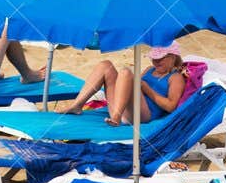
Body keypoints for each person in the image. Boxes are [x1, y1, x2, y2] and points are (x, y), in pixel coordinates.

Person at [59, 43, 190, 126]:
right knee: (106, 65)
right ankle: (77, 105)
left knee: (126, 72)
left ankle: (116, 116)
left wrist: (146, 88)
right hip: (127, 110)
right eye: (154, 58)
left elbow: (171, 107)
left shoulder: (175, 77)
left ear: (173, 57)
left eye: (160, 58)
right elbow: (131, 88)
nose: (156, 61)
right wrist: (139, 84)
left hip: (143, 115)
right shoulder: (150, 69)